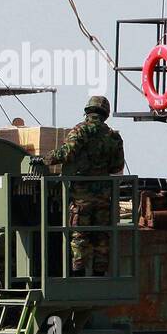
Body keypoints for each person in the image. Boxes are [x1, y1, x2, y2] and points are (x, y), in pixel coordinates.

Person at [44, 94, 126, 277]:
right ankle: (99, 275)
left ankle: (78, 275)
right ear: (105, 113)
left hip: (81, 194)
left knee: (80, 235)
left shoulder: (79, 131)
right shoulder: (113, 137)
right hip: (104, 195)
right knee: (102, 235)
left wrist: (45, 158)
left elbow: (67, 154)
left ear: (88, 111)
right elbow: (117, 166)